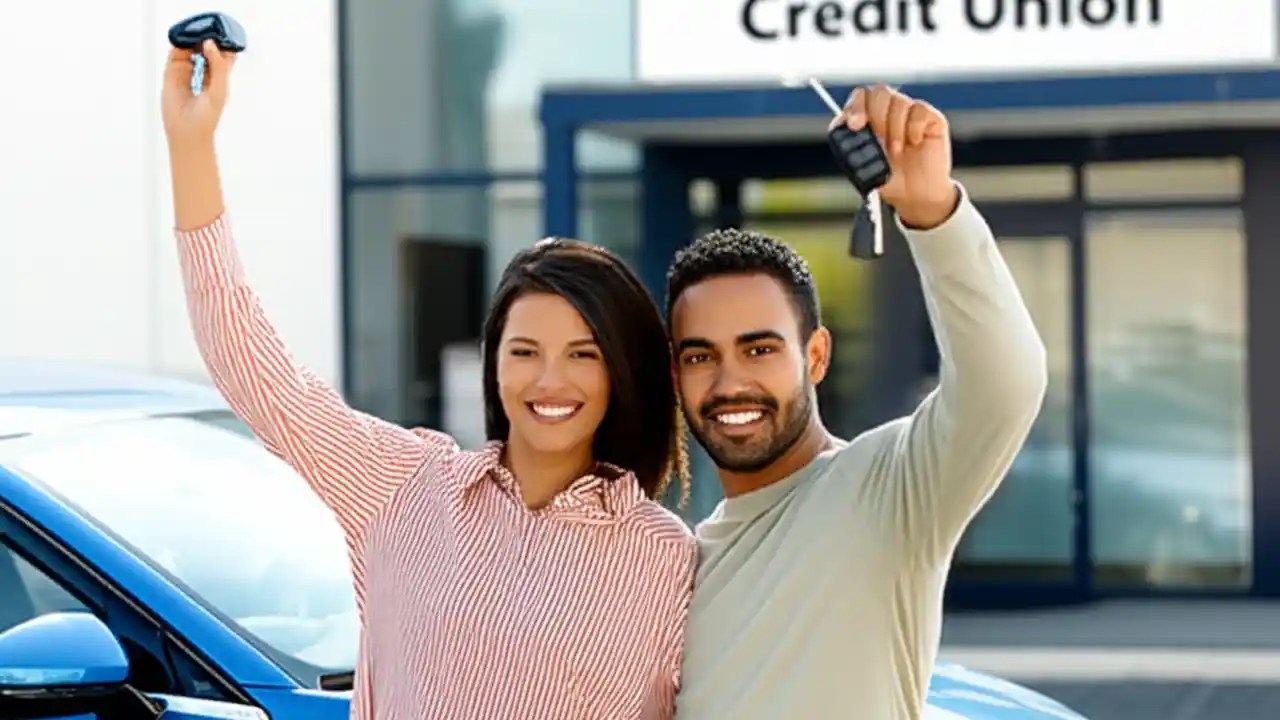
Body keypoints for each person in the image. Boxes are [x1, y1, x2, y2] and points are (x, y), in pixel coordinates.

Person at [162, 41, 696, 720]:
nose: (550, 380)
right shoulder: (405, 487)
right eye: (525, 351)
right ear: (493, 363)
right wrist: (190, 144)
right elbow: (255, 369)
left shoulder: (665, 556)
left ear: (620, 370)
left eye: (583, 355)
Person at [665, 84, 1048, 719]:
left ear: (815, 356)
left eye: (759, 349)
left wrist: (932, 212)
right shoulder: (676, 568)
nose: (731, 382)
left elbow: (1006, 383)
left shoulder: (887, 491)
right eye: (701, 356)